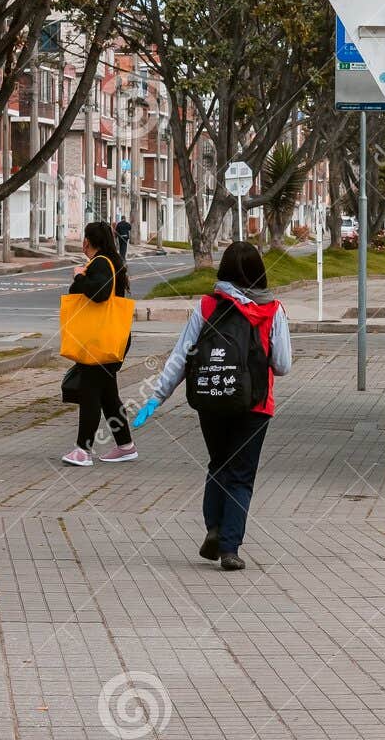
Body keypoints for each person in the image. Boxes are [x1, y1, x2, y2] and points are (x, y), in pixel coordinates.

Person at [132, 242, 292, 571]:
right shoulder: (272, 309)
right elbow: (283, 364)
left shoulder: (206, 306)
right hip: (255, 406)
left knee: (218, 465)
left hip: (211, 399)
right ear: (260, 270)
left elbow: (181, 356)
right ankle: (230, 548)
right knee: (241, 476)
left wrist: (156, 398)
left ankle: (214, 529)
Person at [62, 221, 136, 467]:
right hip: (111, 339)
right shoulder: (112, 261)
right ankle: (125, 445)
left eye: (84, 238)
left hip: (98, 341)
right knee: (108, 396)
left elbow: (100, 293)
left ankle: (83, 450)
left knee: (90, 394)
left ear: (88, 241)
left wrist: (79, 277)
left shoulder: (101, 263)